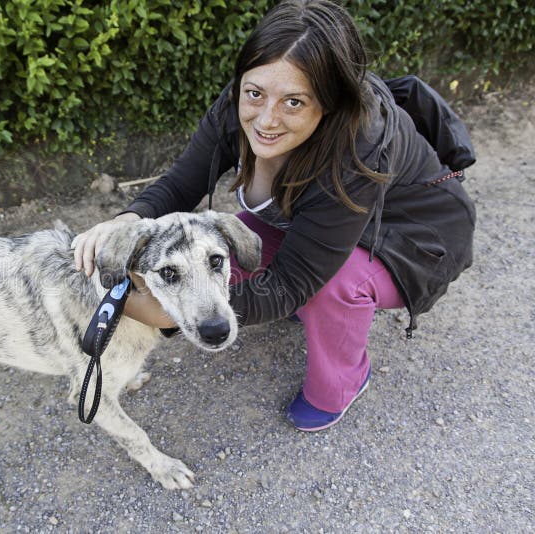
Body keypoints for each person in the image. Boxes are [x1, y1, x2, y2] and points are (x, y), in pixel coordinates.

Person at [72, 0, 476, 432]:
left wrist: (171, 314)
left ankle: (343, 383)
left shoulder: (358, 150)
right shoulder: (237, 104)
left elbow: (292, 283)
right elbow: (179, 185)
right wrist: (127, 220)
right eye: (255, 93)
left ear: (331, 103)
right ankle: (306, 303)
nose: (266, 119)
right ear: (243, 81)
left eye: (295, 102)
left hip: (412, 239)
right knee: (235, 240)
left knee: (330, 285)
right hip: (323, 220)